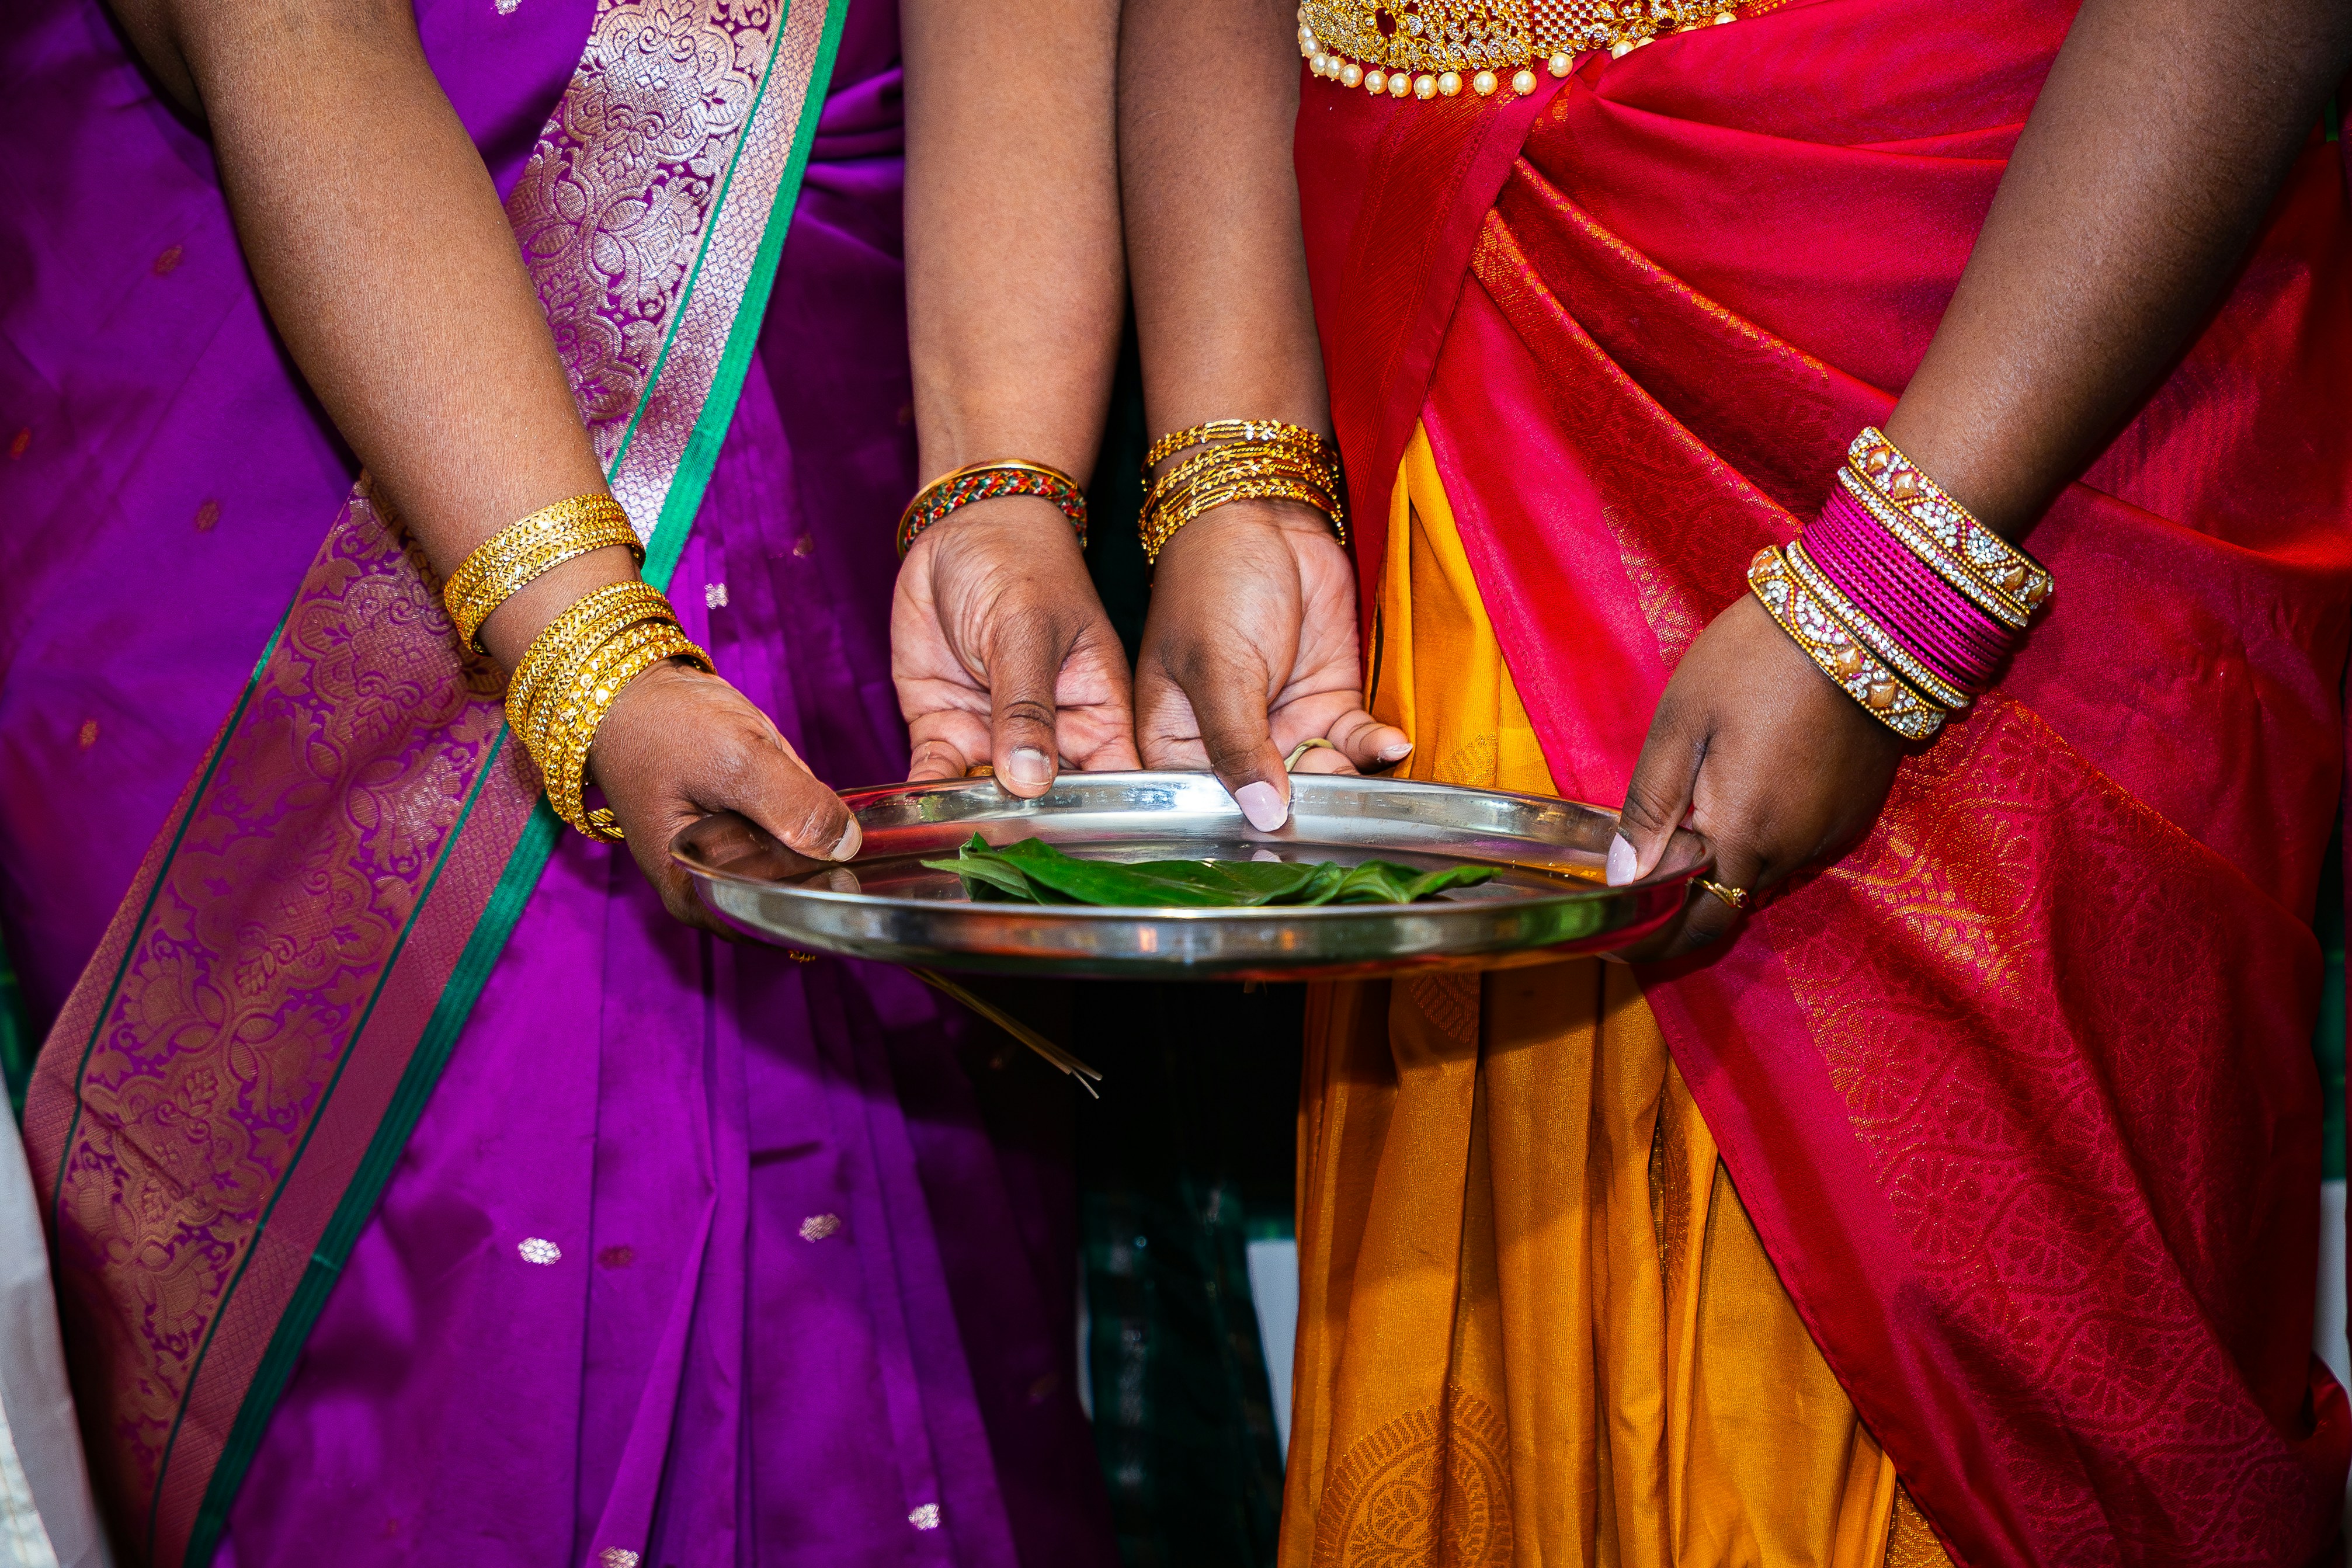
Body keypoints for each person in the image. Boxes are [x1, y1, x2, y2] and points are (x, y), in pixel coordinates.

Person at [926, 0, 2352, 1560]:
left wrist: (1895, 591)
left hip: (2001, 341)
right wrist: (1237, 468)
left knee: (1987, 1345)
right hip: (1449, 351)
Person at [0, 0, 1124, 1562]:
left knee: (872, 1337)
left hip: (856, 430)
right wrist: (584, 645)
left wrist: (1004, 480)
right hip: (278, 481)